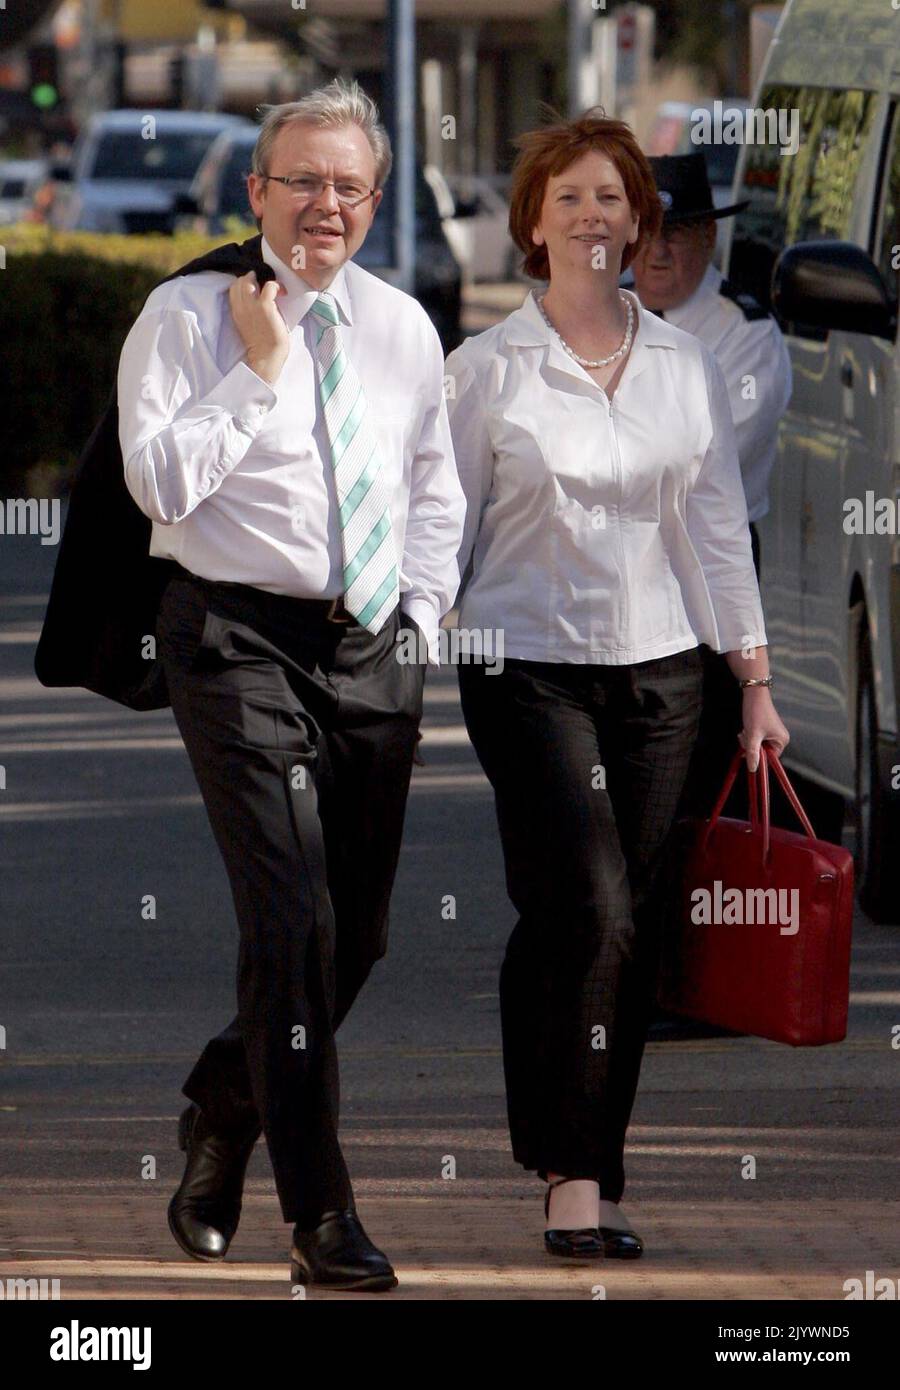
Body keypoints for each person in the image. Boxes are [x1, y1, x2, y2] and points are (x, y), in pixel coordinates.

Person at [117, 79, 466, 1292]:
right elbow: (159, 485)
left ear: (374, 200)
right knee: (292, 921)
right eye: (301, 180)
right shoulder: (185, 316)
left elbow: (434, 488)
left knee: (353, 936)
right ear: (255, 190)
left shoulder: (405, 327)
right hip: (232, 637)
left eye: (349, 184)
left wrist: (418, 617)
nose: (326, 203)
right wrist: (257, 371)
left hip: (369, 643)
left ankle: (224, 1103)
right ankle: (323, 1215)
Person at [443, 108, 789, 1259]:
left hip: (663, 674)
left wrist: (753, 677)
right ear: (533, 223)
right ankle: (573, 1177)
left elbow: (712, 530)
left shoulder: (687, 365)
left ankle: (579, 1153)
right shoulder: (484, 370)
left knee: (616, 926)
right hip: (525, 667)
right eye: (570, 197)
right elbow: (442, 528)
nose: (594, 216)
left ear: (641, 223)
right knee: (588, 904)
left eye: (613, 198)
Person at [631, 152, 792, 820]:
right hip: (604, 577)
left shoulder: (744, 332)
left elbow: (700, 476)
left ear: (708, 238)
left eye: (679, 232)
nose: (659, 249)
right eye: (647, 231)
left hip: (704, 573)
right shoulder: (594, 309)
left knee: (692, 798)